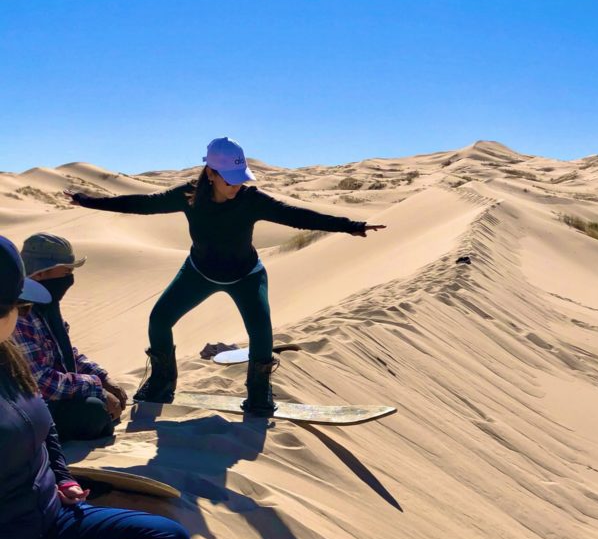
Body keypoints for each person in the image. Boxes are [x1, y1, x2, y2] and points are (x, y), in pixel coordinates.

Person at [66, 136, 386, 414]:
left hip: (246, 276)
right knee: (159, 319)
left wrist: (351, 226)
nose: (237, 184)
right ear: (211, 173)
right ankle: (163, 380)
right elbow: (141, 204)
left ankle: (259, 392)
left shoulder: (250, 200)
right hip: (199, 272)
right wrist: (89, 201)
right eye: (230, 178)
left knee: (261, 332)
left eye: (240, 177)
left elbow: (296, 216)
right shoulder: (189, 196)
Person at [0, 236, 191, 539]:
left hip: (55, 520)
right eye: (18, 305)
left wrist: (64, 478)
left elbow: (44, 427)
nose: (23, 314)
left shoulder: (8, 358)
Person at [13, 233, 128, 442]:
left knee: (101, 406)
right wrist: (97, 387)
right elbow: (40, 381)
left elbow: (65, 353)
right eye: (66, 271)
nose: (70, 278)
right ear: (40, 274)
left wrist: (103, 378)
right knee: (92, 413)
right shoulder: (19, 314)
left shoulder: (47, 306)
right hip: (25, 406)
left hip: (50, 397)